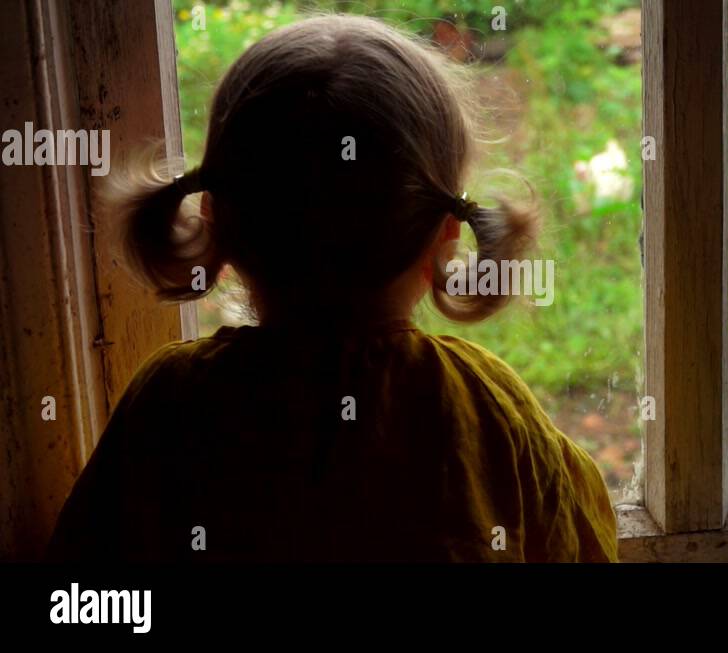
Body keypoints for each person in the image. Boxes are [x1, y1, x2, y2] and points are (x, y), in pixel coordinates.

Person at [47, 14, 617, 562]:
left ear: (215, 220)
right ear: (445, 235)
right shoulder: (487, 405)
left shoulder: (171, 402)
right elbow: (578, 535)